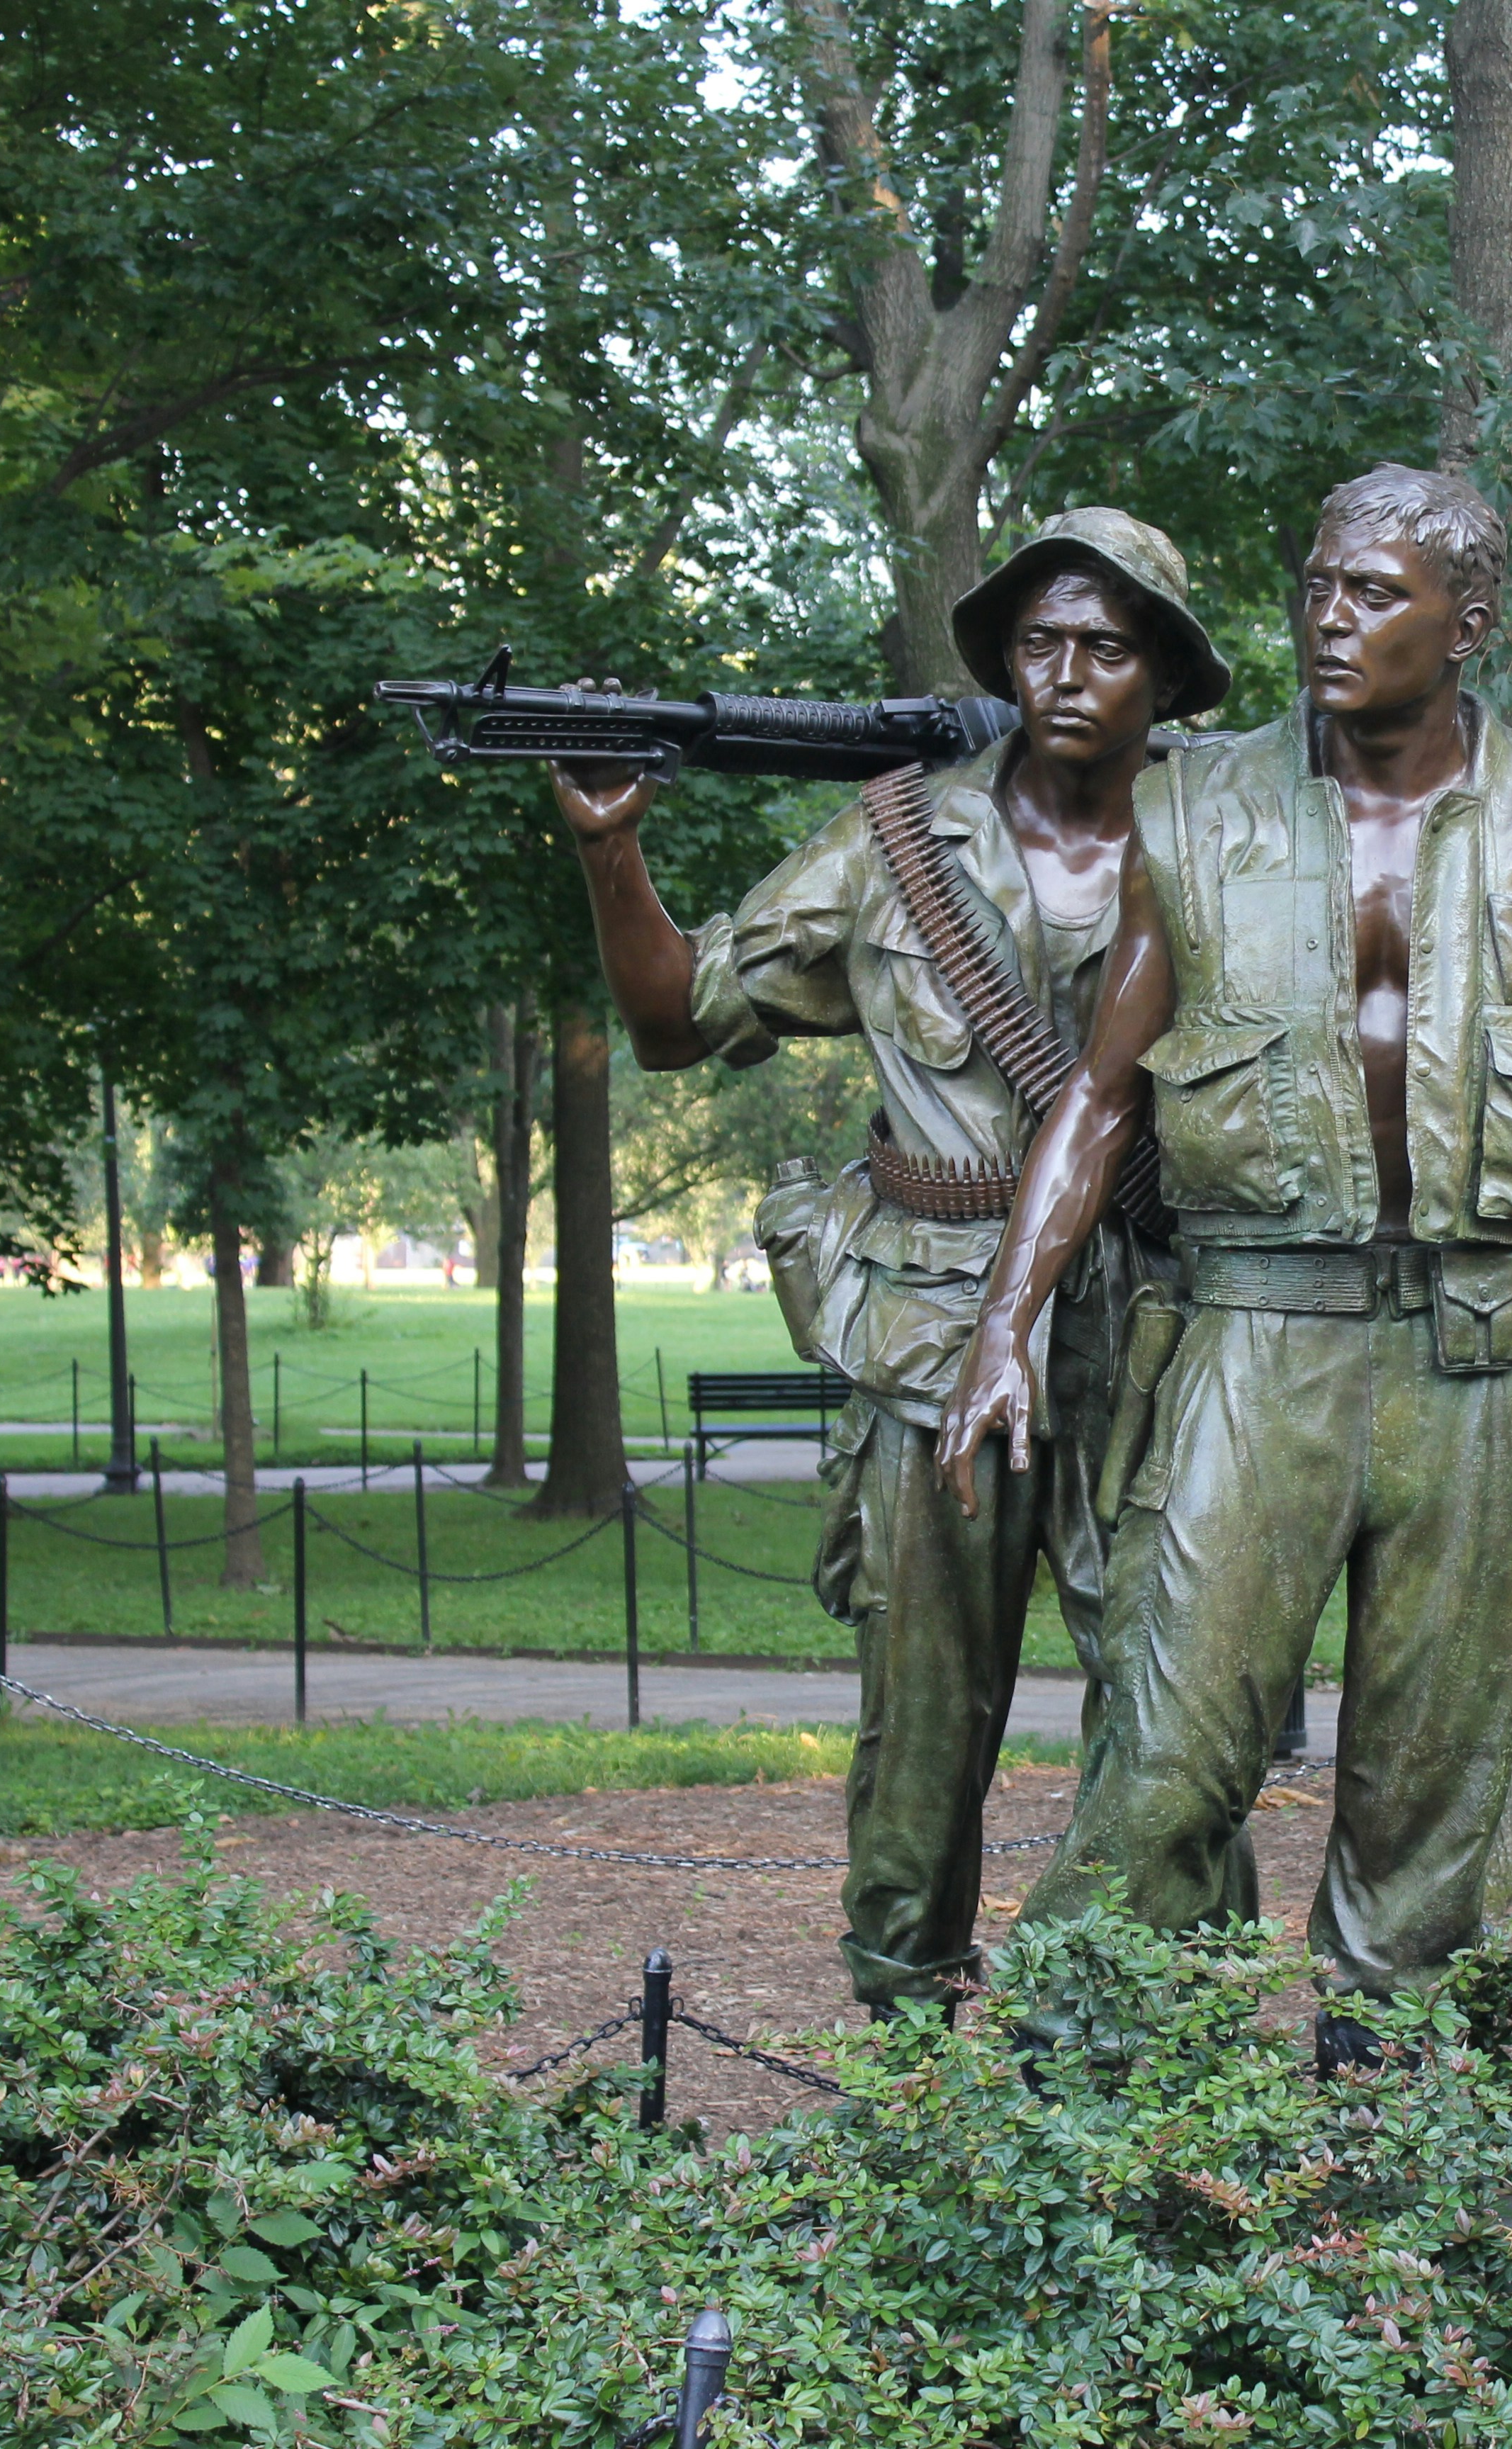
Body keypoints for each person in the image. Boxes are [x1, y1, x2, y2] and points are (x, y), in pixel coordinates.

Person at [936, 464, 1512, 2066]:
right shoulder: (1195, 805)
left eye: (1375, 594)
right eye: (1320, 585)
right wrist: (1005, 1327)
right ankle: (1066, 2132)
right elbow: (1098, 1092)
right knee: (1168, 1759)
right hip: (1252, 1341)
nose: (1330, 617)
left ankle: (1373, 2144)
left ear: (1470, 623)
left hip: (1480, 1355)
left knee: (1426, 1792)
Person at [548, 505, 1243, 2020]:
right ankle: (907, 2024)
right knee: (924, 1710)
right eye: (1039, 642)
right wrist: (615, 854)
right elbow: (675, 1021)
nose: (1067, 673)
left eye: (1108, 646)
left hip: (1160, 1326)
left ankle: (1169, 2029)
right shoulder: (895, 842)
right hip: (933, 1329)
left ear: (1168, 679)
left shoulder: (1238, 828)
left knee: (1183, 1693)